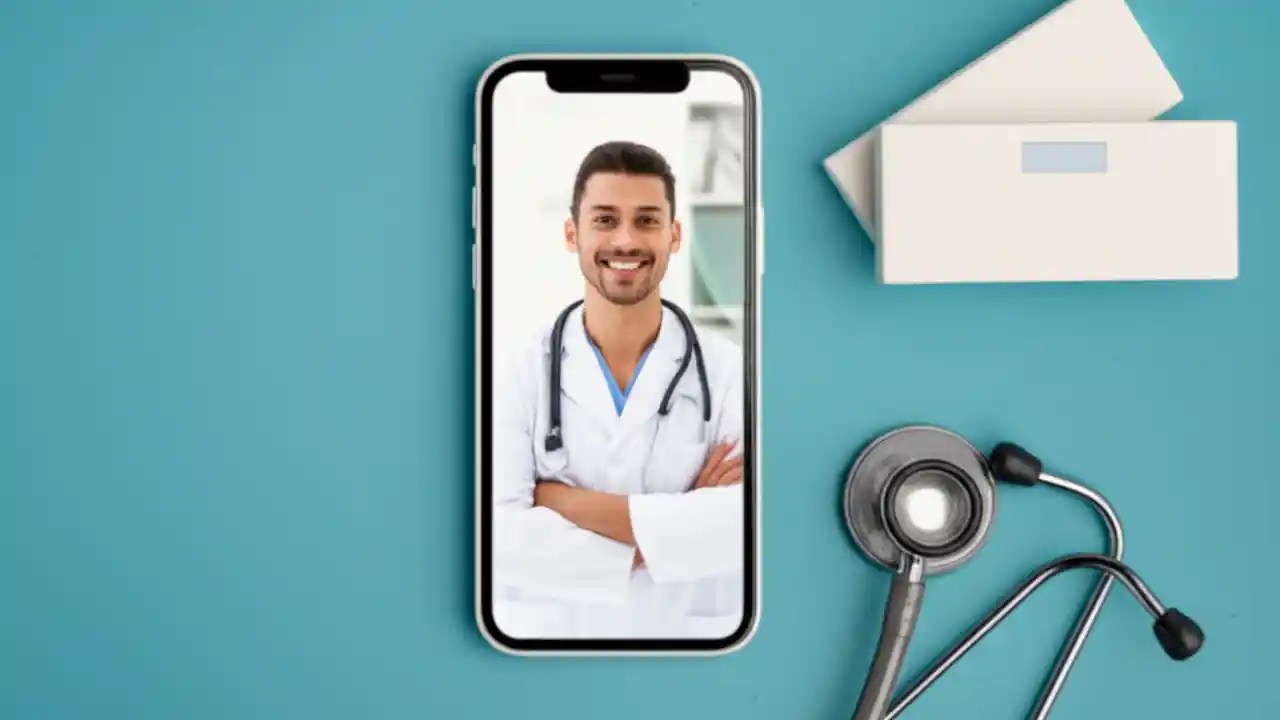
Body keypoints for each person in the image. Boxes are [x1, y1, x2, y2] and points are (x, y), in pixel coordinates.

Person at [492, 140, 746, 639]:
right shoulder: (516, 371)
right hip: (547, 643)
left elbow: (740, 526)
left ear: (674, 236)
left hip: (692, 646)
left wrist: (563, 503)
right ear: (573, 233)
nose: (625, 240)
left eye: (647, 220)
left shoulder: (730, 370)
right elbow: (498, 536)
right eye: (605, 220)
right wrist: (674, 536)